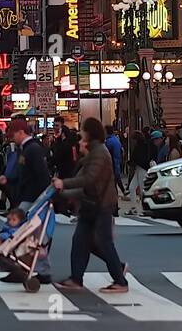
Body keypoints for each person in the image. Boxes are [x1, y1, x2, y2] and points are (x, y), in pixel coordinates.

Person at [53, 118, 128, 294]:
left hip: (100, 204)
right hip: (91, 203)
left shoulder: (99, 152)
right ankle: (76, 278)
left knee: (104, 242)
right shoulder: (95, 151)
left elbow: (89, 180)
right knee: (80, 241)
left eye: (83, 131)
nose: (80, 136)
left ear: (90, 132)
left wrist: (63, 184)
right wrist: (63, 193)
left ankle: (120, 280)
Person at [0, 119, 52, 282]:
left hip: (32, 199)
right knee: (31, 236)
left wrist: (40, 201)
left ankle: (25, 268)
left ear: (21, 132)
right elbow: (25, 174)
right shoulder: (27, 149)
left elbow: (41, 176)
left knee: (23, 234)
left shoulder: (32, 149)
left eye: (13, 134)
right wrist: (9, 180)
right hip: (29, 198)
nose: (11, 138)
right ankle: (35, 269)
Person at [105, 125, 127, 197]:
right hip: (117, 162)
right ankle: (123, 191)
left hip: (112, 164)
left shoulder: (109, 141)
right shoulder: (116, 140)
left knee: (112, 183)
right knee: (115, 180)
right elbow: (121, 151)